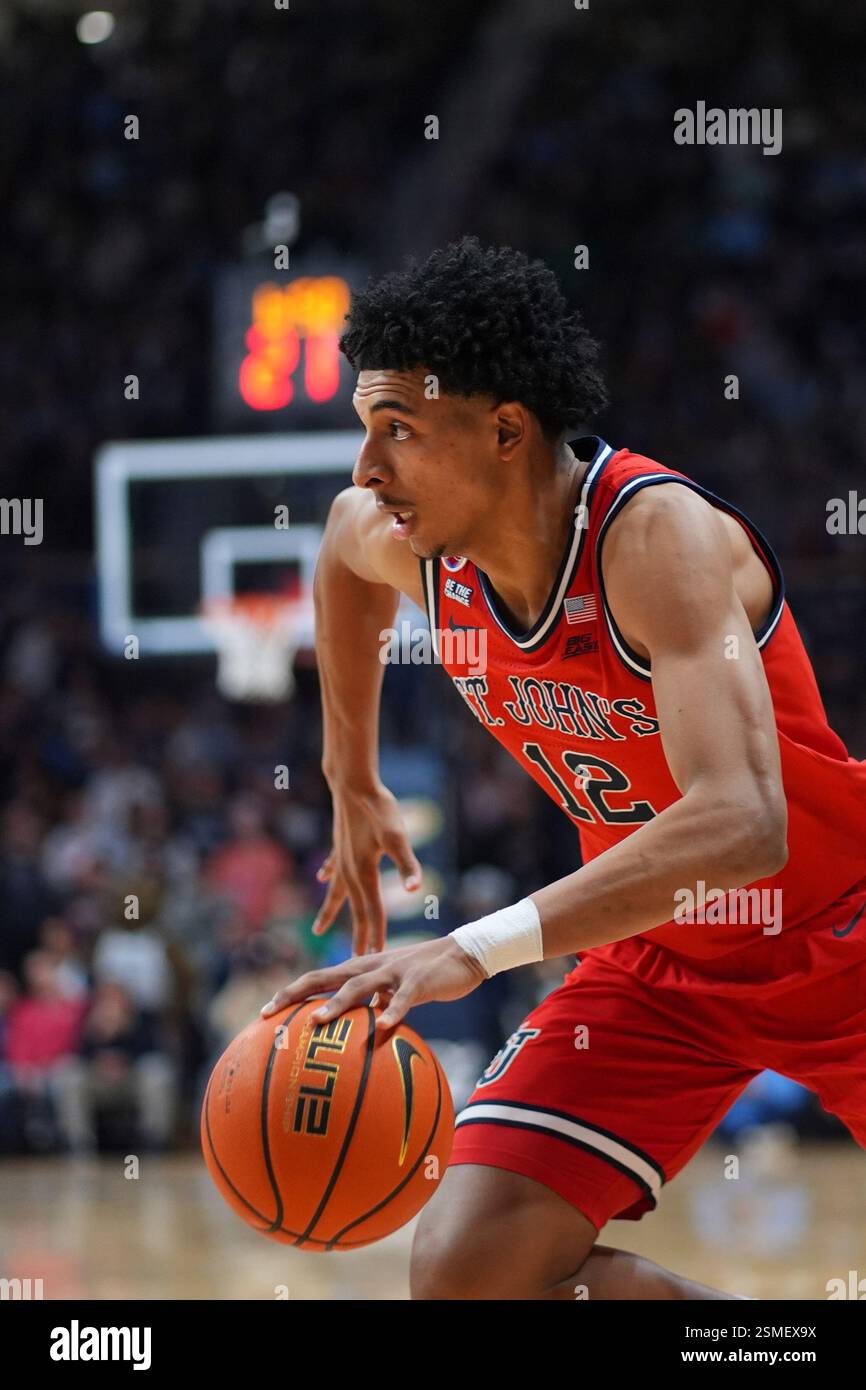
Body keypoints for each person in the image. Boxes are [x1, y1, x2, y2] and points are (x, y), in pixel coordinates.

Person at [261, 236, 866, 1300]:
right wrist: (347, 774)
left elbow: (742, 823)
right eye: (365, 431)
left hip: (841, 939)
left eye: (395, 431)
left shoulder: (653, 536)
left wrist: (472, 951)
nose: (368, 468)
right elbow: (340, 549)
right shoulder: (413, 545)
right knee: (463, 1274)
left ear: (503, 430)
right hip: (656, 973)